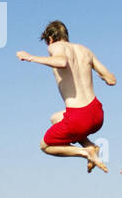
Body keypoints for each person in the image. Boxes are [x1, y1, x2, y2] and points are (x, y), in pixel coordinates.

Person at [16, 20, 116, 172]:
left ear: (50, 39)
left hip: (79, 118)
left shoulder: (55, 46)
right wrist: (99, 75)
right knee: (55, 118)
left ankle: (85, 152)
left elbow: (62, 62)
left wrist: (30, 57)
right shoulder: (85, 50)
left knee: (45, 146)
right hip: (97, 114)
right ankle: (90, 146)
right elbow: (111, 80)